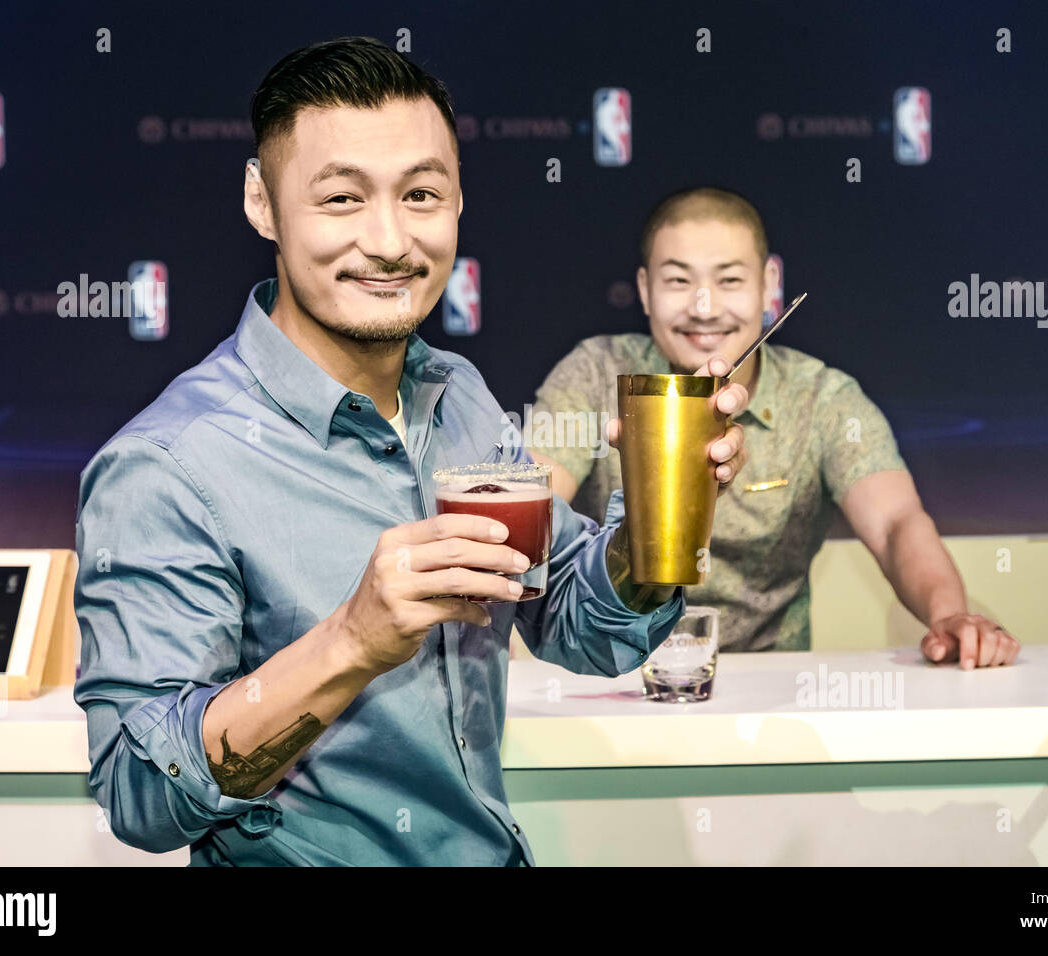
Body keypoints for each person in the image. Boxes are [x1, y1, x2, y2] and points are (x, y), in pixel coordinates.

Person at [72, 37, 751, 867]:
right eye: (342, 199)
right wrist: (350, 641)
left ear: (460, 201)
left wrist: (663, 509)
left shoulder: (456, 393)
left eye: (421, 193)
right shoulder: (168, 464)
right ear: (262, 201)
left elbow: (577, 625)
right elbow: (141, 796)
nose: (390, 241)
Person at [530, 187, 1020, 668]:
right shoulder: (595, 374)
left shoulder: (822, 398)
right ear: (644, 290)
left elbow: (896, 525)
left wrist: (949, 613)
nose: (704, 308)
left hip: (774, 692)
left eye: (729, 280)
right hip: (616, 681)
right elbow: (536, 504)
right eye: (679, 281)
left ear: (770, 283)